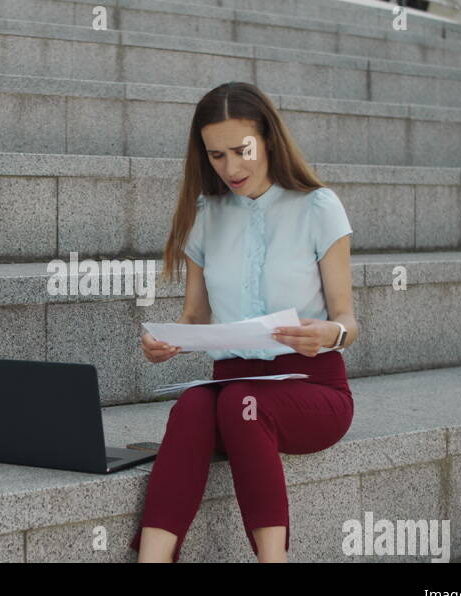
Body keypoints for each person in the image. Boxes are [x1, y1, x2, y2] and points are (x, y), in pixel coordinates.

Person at [130, 82, 357, 563]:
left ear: (269, 139)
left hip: (311, 386)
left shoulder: (318, 207)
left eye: (241, 150)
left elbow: (347, 320)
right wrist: (166, 342)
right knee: (193, 404)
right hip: (230, 386)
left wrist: (329, 334)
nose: (230, 168)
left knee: (241, 402)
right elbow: (194, 317)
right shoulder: (205, 215)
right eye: (215, 156)